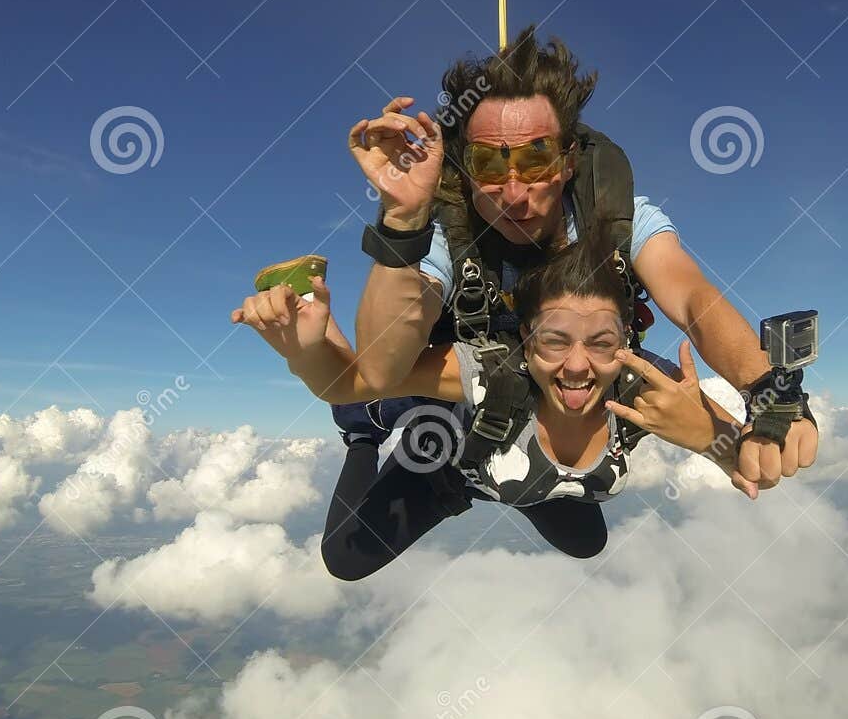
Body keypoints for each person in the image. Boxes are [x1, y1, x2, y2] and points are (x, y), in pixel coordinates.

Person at [342, 25, 818, 497]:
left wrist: (769, 394)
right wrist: (402, 218)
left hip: (565, 366)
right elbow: (382, 365)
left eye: (537, 158)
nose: (513, 193)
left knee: (642, 418)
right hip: (479, 364)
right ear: (465, 170)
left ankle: (540, 471)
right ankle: (372, 433)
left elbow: (693, 299)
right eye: (488, 163)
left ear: (569, 162)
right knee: (350, 534)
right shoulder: (447, 233)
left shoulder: (614, 217)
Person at [232, 236, 754, 580]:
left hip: (534, 477)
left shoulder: (643, 385)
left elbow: (755, 459)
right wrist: (306, 348)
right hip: (450, 461)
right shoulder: (491, 370)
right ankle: (363, 433)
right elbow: (359, 377)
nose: (578, 366)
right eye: (554, 341)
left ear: (626, 343)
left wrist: (714, 436)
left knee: (587, 543)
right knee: (344, 557)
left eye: (600, 342)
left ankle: (514, 479)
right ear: (526, 340)